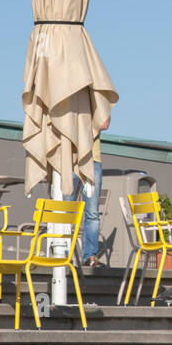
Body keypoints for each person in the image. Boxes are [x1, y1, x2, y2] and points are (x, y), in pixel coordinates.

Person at [73, 114, 110, 267]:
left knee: (93, 213)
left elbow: (104, 123)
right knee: (66, 211)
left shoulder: (97, 97)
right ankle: (62, 255)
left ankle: (90, 256)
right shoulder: (69, 96)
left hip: (93, 160)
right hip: (70, 159)